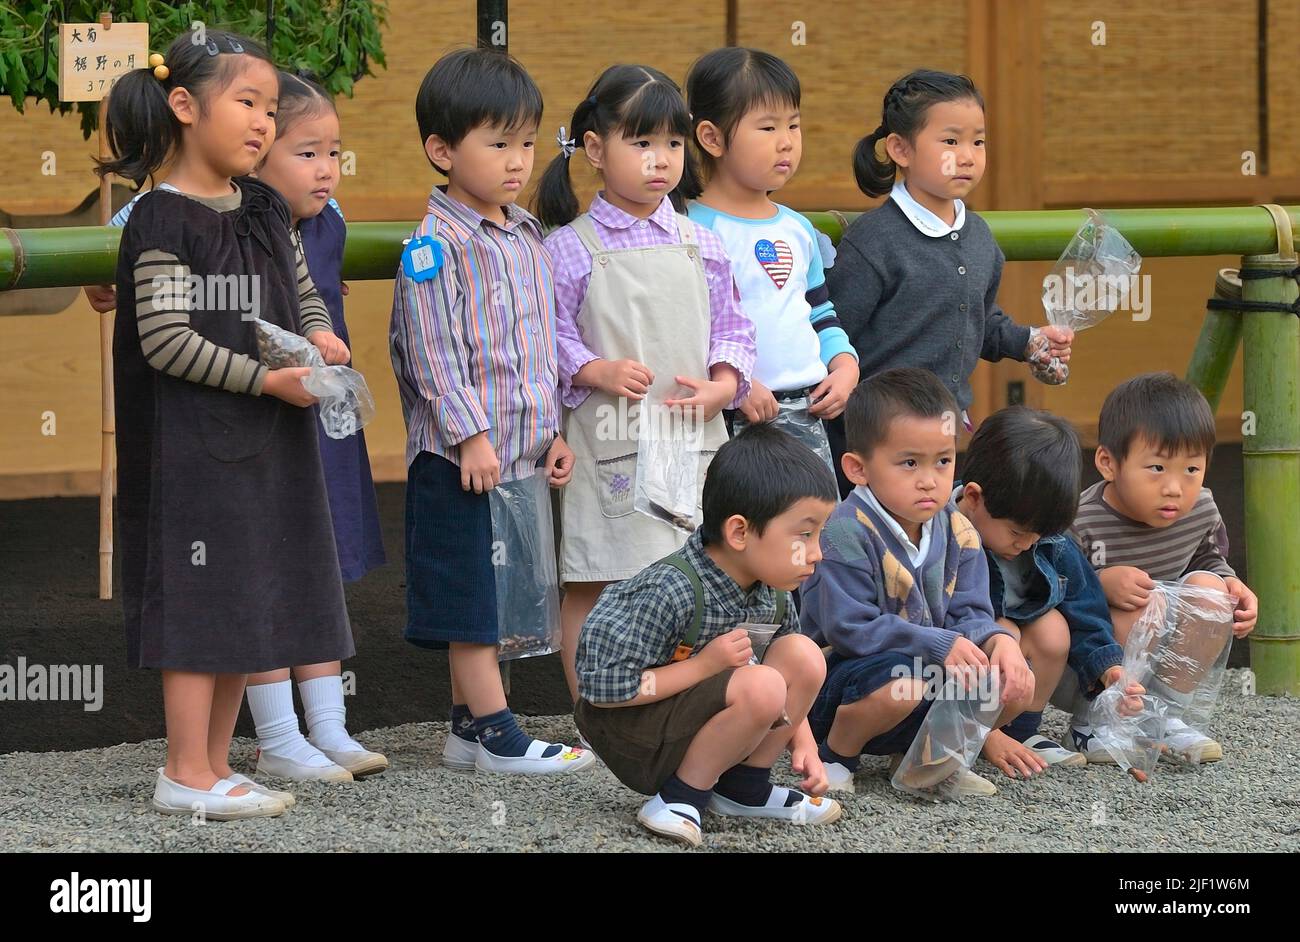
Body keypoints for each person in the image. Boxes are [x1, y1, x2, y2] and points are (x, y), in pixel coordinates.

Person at [575, 424, 841, 848]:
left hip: (698, 726)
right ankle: (679, 796)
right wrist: (704, 665)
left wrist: (803, 743)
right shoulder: (670, 589)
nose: (817, 552)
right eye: (804, 534)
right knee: (763, 683)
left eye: (820, 534)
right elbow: (604, 687)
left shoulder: (771, 594)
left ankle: (744, 788)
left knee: (804, 655)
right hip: (634, 736)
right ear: (739, 532)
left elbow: (787, 686)